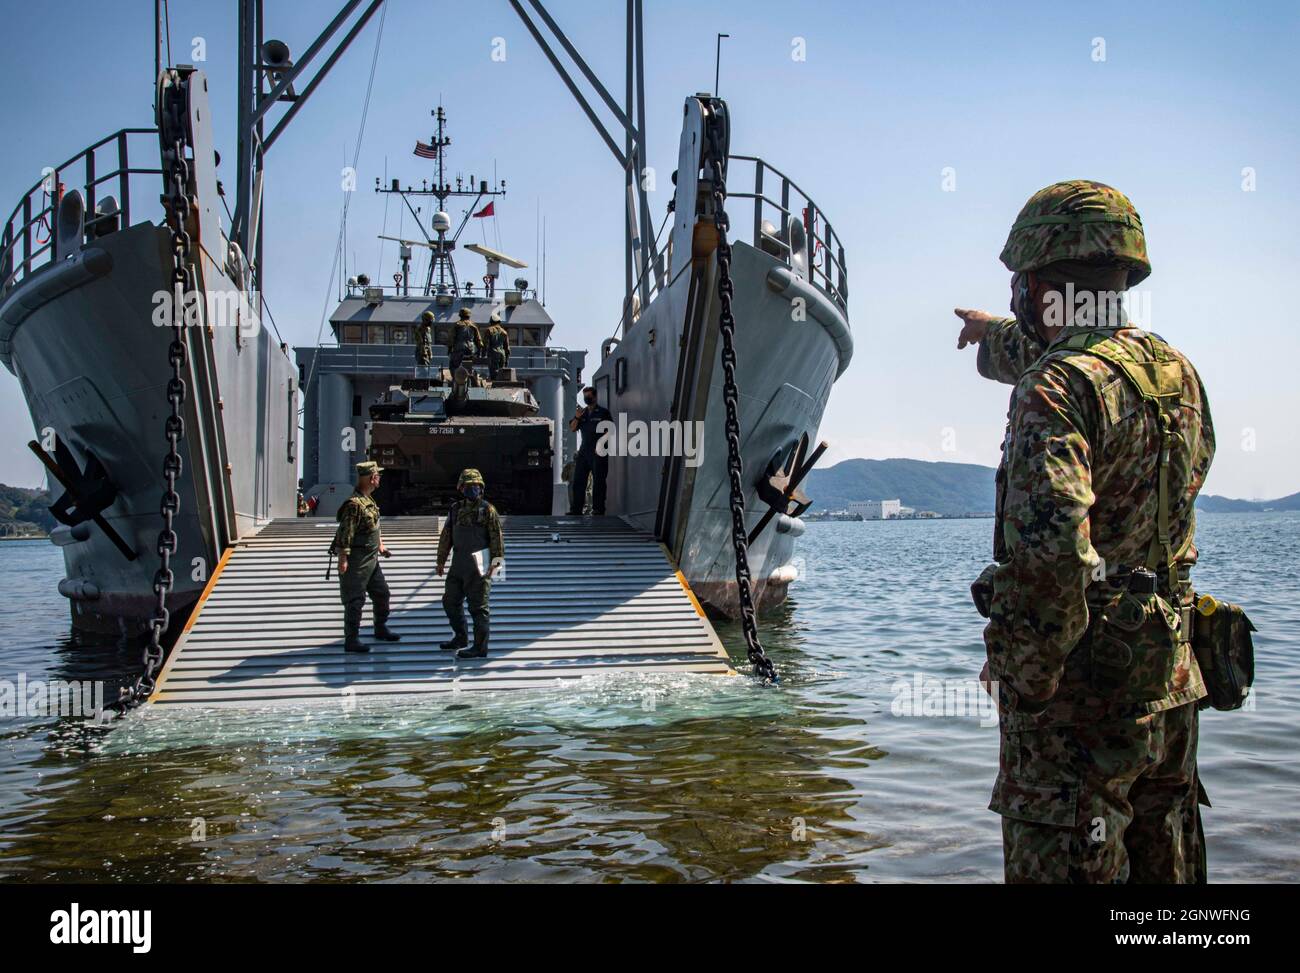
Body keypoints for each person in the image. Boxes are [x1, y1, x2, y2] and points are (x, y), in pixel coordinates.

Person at [959, 180, 1215, 884]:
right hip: (1169, 684)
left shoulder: (1054, 387)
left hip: (1078, 707)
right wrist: (986, 336)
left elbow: (1055, 558)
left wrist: (1026, 674)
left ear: (1035, 281)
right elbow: (1075, 353)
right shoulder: (1174, 372)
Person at [332, 460, 401, 653]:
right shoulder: (354, 505)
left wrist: (381, 546)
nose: (379, 478)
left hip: (371, 560)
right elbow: (346, 533)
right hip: (357, 561)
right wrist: (343, 559)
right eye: (377, 475)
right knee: (355, 600)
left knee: (382, 594)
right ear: (372, 478)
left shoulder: (368, 500)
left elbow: (372, 528)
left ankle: (380, 628)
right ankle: (351, 640)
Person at [435, 468, 505, 660]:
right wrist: (440, 560)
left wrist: (497, 565)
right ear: (461, 488)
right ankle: (460, 637)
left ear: (481, 488)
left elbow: (497, 539)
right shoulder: (455, 509)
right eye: (468, 486)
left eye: (475, 486)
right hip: (458, 563)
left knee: (478, 608)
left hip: (480, 564)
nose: (472, 489)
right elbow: (447, 535)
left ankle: (480, 648)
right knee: (450, 601)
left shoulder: (488, 510)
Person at [567, 386, 612, 516]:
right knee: (579, 480)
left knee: (599, 481)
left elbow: (610, 430)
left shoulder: (603, 413)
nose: (587, 399)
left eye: (589, 396)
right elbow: (572, 428)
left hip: (598, 452)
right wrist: (576, 417)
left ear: (595, 397)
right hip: (584, 452)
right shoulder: (582, 414)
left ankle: (598, 509)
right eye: (585, 396)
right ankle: (576, 510)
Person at [447, 307, 483, 374]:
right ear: (469, 315)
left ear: (460, 315)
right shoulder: (473, 325)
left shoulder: (457, 325)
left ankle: (456, 380)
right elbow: (479, 340)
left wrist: (449, 349)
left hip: (459, 349)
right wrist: (479, 351)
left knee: (454, 366)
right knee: (470, 367)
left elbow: (451, 339)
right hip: (471, 349)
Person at [484, 310, 511, 380]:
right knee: (501, 373)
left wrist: (483, 355)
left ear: (491, 322)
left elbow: (486, 344)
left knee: (493, 373)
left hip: (493, 354)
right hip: (502, 354)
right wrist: (507, 360)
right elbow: (507, 348)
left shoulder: (489, 330)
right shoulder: (504, 332)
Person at [415, 310, 435, 376]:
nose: (431, 322)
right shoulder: (420, 329)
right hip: (422, 354)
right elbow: (421, 343)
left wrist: (430, 353)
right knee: (423, 372)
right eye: (430, 320)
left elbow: (428, 343)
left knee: (427, 372)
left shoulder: (428, 329)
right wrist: (424, 354)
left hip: (427, 354)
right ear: (426, 320)